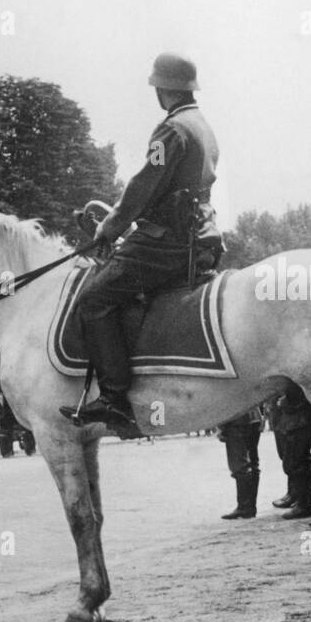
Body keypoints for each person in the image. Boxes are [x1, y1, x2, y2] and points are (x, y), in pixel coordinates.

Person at [61, 53, 223, 429]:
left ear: (160, 89)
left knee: (94, 299)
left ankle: (115, 397)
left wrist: (110, 229)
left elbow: (143, 186)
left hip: (167, 244)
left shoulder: (172, 130)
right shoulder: (203, 126)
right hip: (200, 237)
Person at [267, 383, 311, 519]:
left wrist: (287, 402)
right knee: (291, 462)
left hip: (299, 421)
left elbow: (303, 394)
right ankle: (299, 499)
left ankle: (304, 505)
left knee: (298, 463)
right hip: (290, 421)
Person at [218, 405, 263, 520]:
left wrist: (221, 426)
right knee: (253, 463)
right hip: (254, 417)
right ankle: (250, 507)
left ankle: (244, 507)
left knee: (239, 465)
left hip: (236, 420)